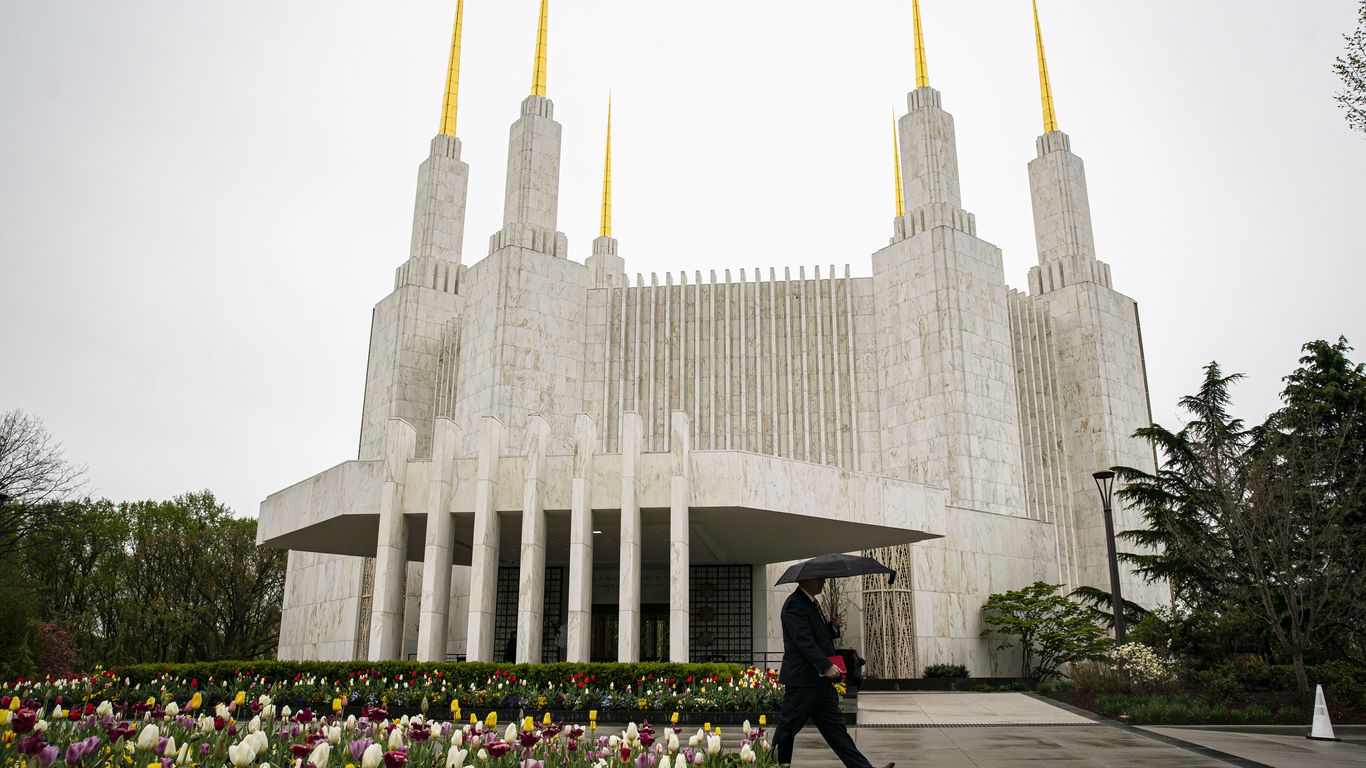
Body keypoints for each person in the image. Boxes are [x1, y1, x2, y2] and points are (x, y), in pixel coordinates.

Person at [773, 577, 893, 768]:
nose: (823, 582)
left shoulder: (811, 603)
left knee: (838, 733)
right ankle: (773, 766)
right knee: (786, 732)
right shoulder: (794, 605)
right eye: (819, 579)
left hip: (820, 685)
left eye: (824, 579)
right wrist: (825, 665)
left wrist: (832, 627)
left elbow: (817, 636)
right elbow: (804, 641)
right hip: (803, 684)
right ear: (804, 580)